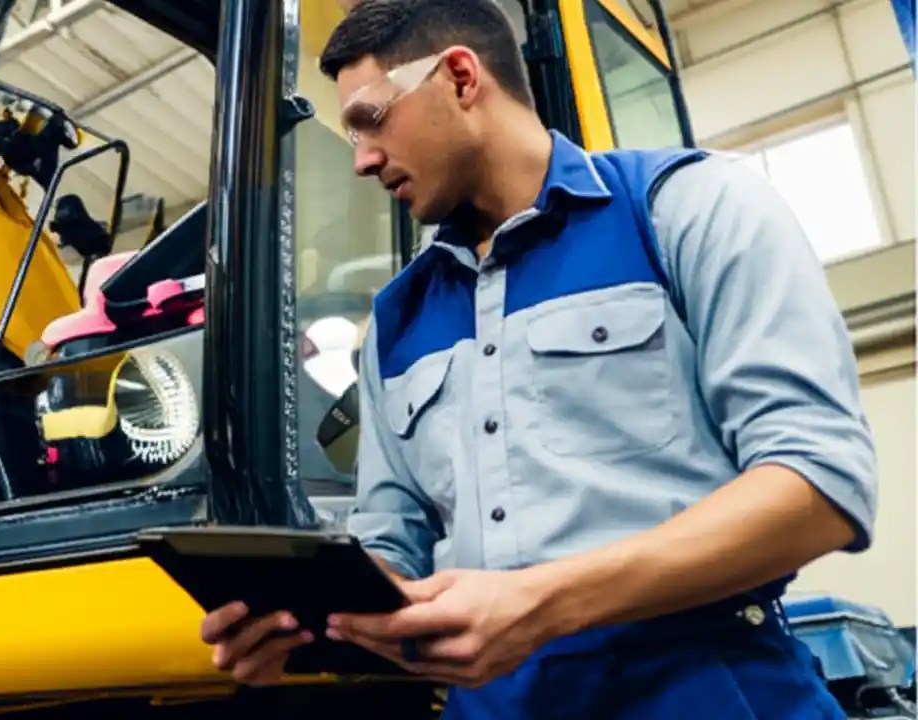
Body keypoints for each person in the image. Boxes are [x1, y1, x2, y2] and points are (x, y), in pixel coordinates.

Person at [198, 0, 878, 717]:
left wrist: (542, 604)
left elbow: (820, 484)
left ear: (460, 78)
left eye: (371, 119)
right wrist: (312, 621)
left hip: (706, 687)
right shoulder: (397, 317)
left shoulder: (689, 209)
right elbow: (392, 538)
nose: (362, 159)